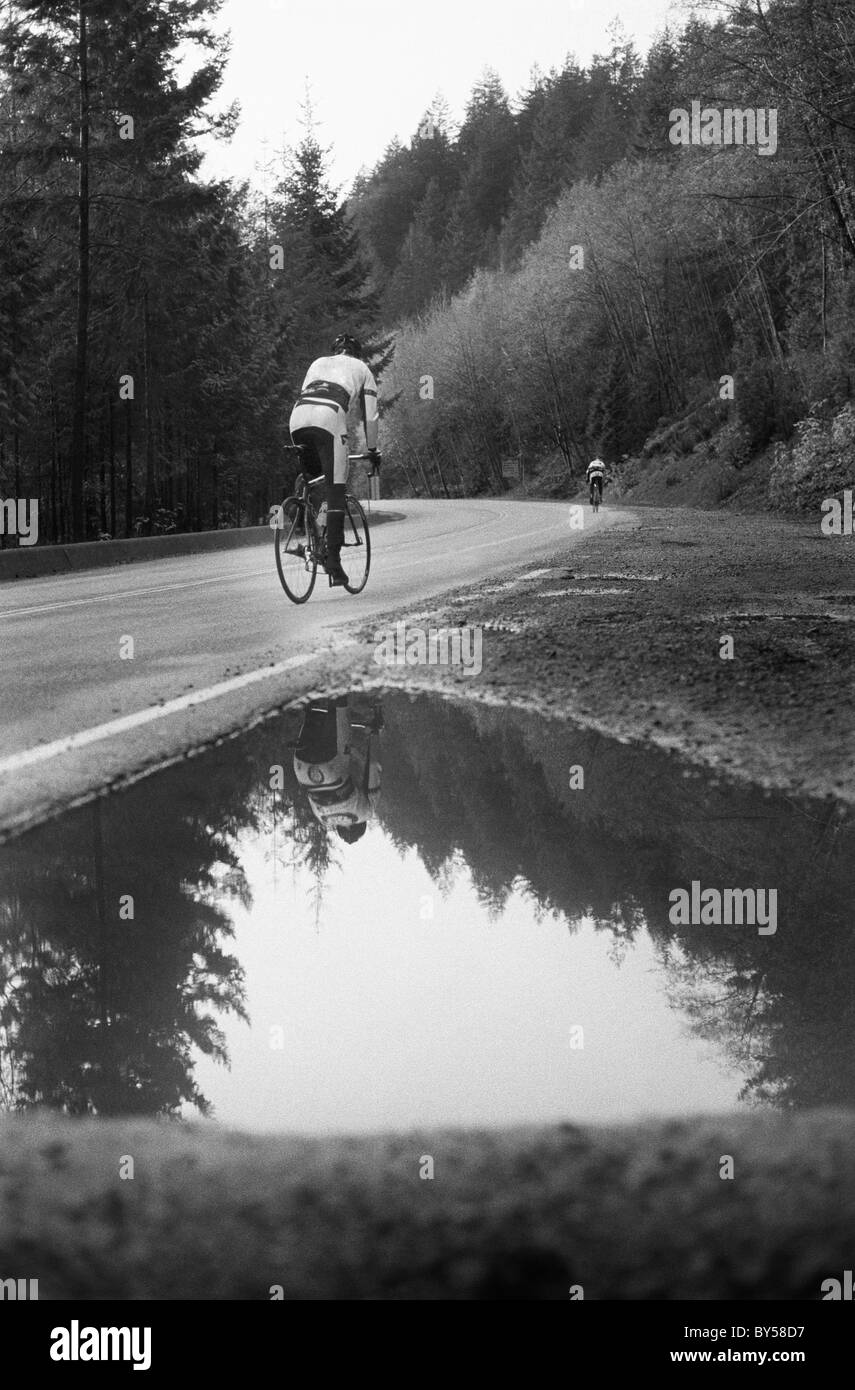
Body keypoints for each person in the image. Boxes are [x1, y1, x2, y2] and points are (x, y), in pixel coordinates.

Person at [288, 334, 381, 585]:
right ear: (356, 353)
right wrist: (372, 451)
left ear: (335, 350)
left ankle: (302, 521)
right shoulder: (362, 368)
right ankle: (334, 562)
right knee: (335, 487)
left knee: (314, 480)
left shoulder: (318, 362)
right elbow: (370, 416)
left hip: (298, 417)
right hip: (329, 417)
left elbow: (306, 392)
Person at [293, 697, 383, 844]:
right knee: (313, 713)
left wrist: (374, 734)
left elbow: (374, 768)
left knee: (338, 710)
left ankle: (338, 691)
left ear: (361, 825)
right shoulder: (322, 819)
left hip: (333, 773)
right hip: (302, 771)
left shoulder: (366, 813)